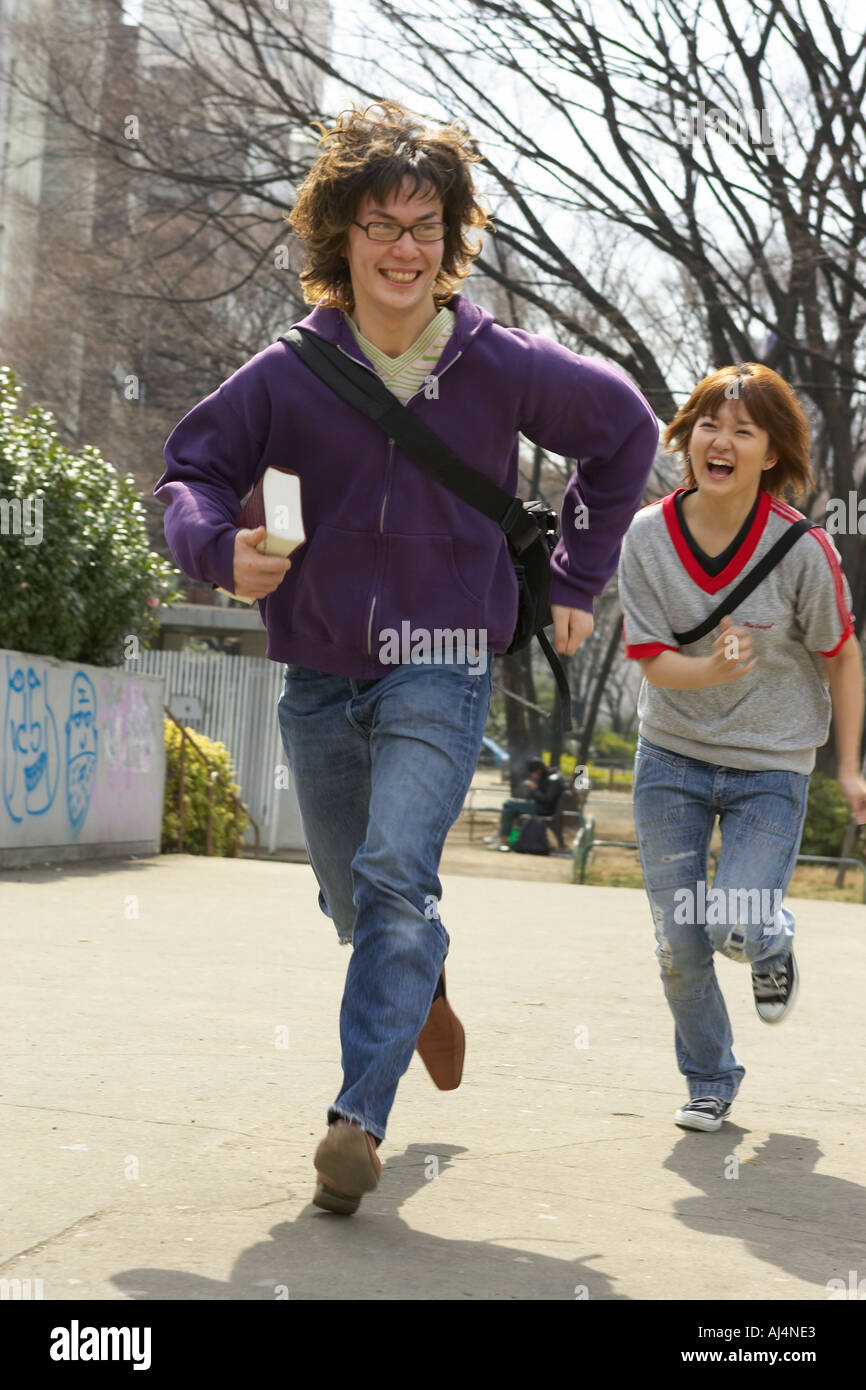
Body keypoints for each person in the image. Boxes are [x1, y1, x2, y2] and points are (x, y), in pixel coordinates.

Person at [154, 99, 659, 1212]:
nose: (402, 247)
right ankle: (416, 974)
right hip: (319, 672)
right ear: (340, 237)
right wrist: (215, 548)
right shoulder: (287, 374)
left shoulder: (497, 364)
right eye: (380, 223)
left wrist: (575, 580)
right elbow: (186, 472)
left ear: (451, 240)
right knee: (353, 899)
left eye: (425, 225)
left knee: (392, 876)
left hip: (442, 659)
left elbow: (626, 430)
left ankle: (354, 1124)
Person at [618, 362, 866, 1133]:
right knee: (678, 941)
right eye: (708, 426)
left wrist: (850, 767)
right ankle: (710, 1077)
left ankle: (772, 940)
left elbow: (843, 655)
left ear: (771, 454)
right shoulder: (648, 537)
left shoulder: (801, 551)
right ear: (687, 437)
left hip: (771, 766)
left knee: (737, 923)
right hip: (671, 757)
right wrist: (713, 668)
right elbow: (654, 659)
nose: (720, 442)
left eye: (743, 431)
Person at [490, 758, 556, 848]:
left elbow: (546, 799)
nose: (532, 776)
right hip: (539, 806)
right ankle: (507, 839)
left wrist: (534, 788)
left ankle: (504, 839)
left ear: (539, 770)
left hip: (542, 809)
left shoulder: (552, 779)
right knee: (509, 810)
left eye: (533, 773)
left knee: (509, 805)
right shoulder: (549, 777)